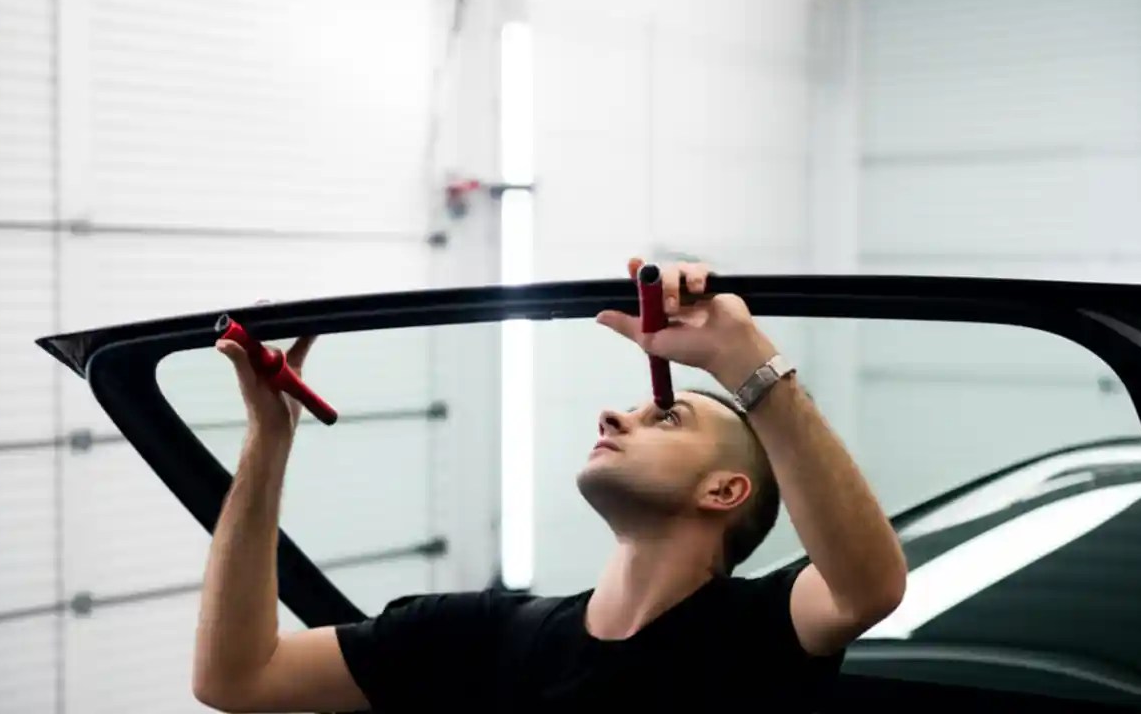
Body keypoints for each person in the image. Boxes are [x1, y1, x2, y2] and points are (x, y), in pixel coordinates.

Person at [192, 259, 908, 713]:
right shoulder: (471, 637)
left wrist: (747, 360)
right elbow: (239, 678)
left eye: (666, 417)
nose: (612, 412)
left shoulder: (760, 633)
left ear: (724, 492)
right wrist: (270, 438)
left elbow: (866, 587)